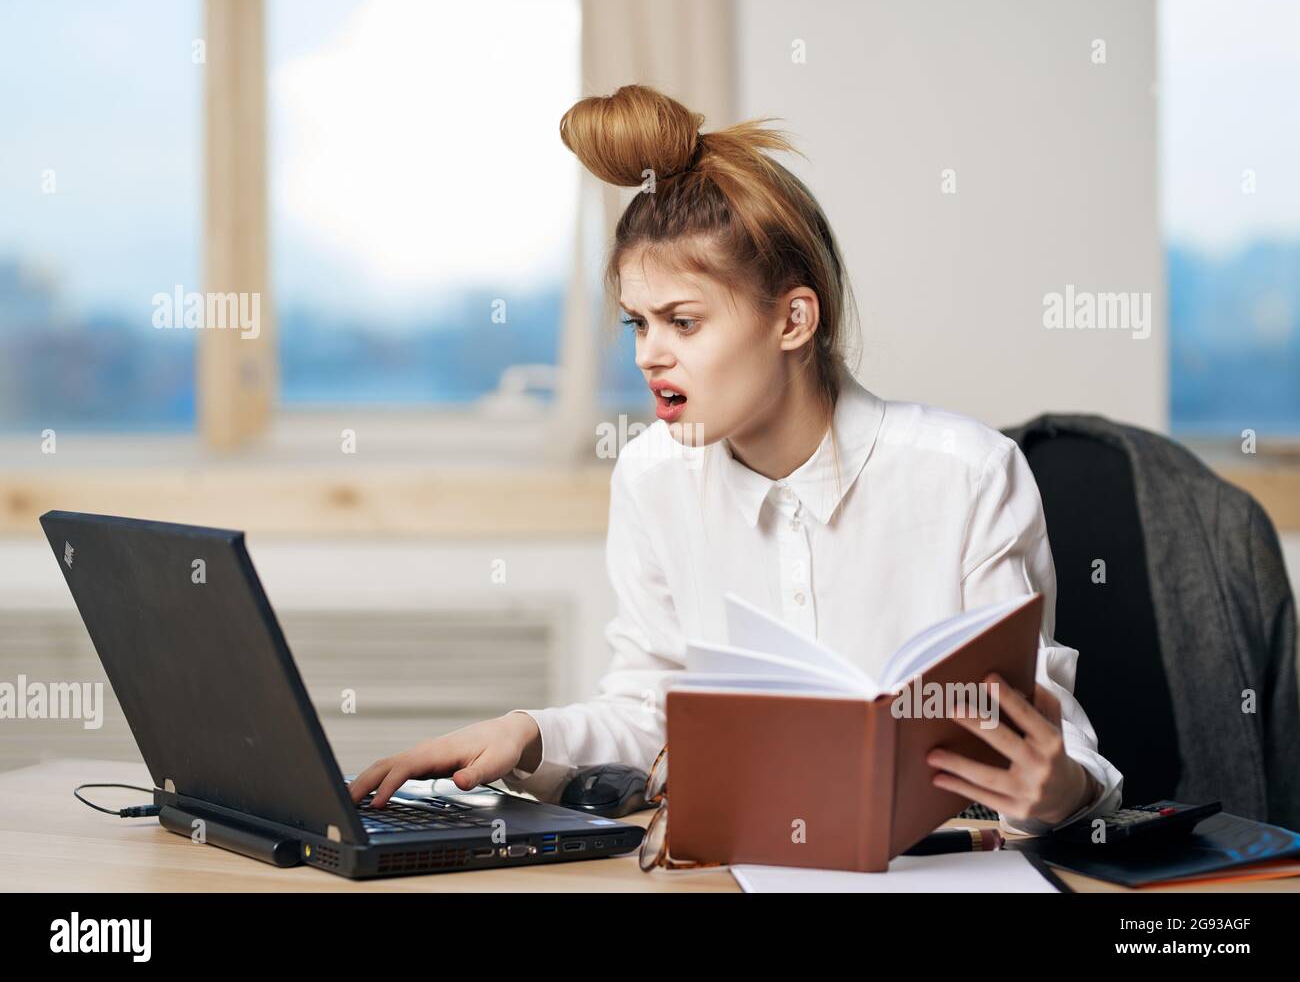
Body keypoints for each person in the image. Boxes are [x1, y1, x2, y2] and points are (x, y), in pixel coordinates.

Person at [348, 84, 1123, 837]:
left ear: (793, 319)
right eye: (637, 325)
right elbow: (653, 707)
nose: (652, 356)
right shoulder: (652, 476)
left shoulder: (967, 475)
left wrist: (1056, 788)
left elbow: (1049, 741)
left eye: (682, 322)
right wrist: (527, 734)